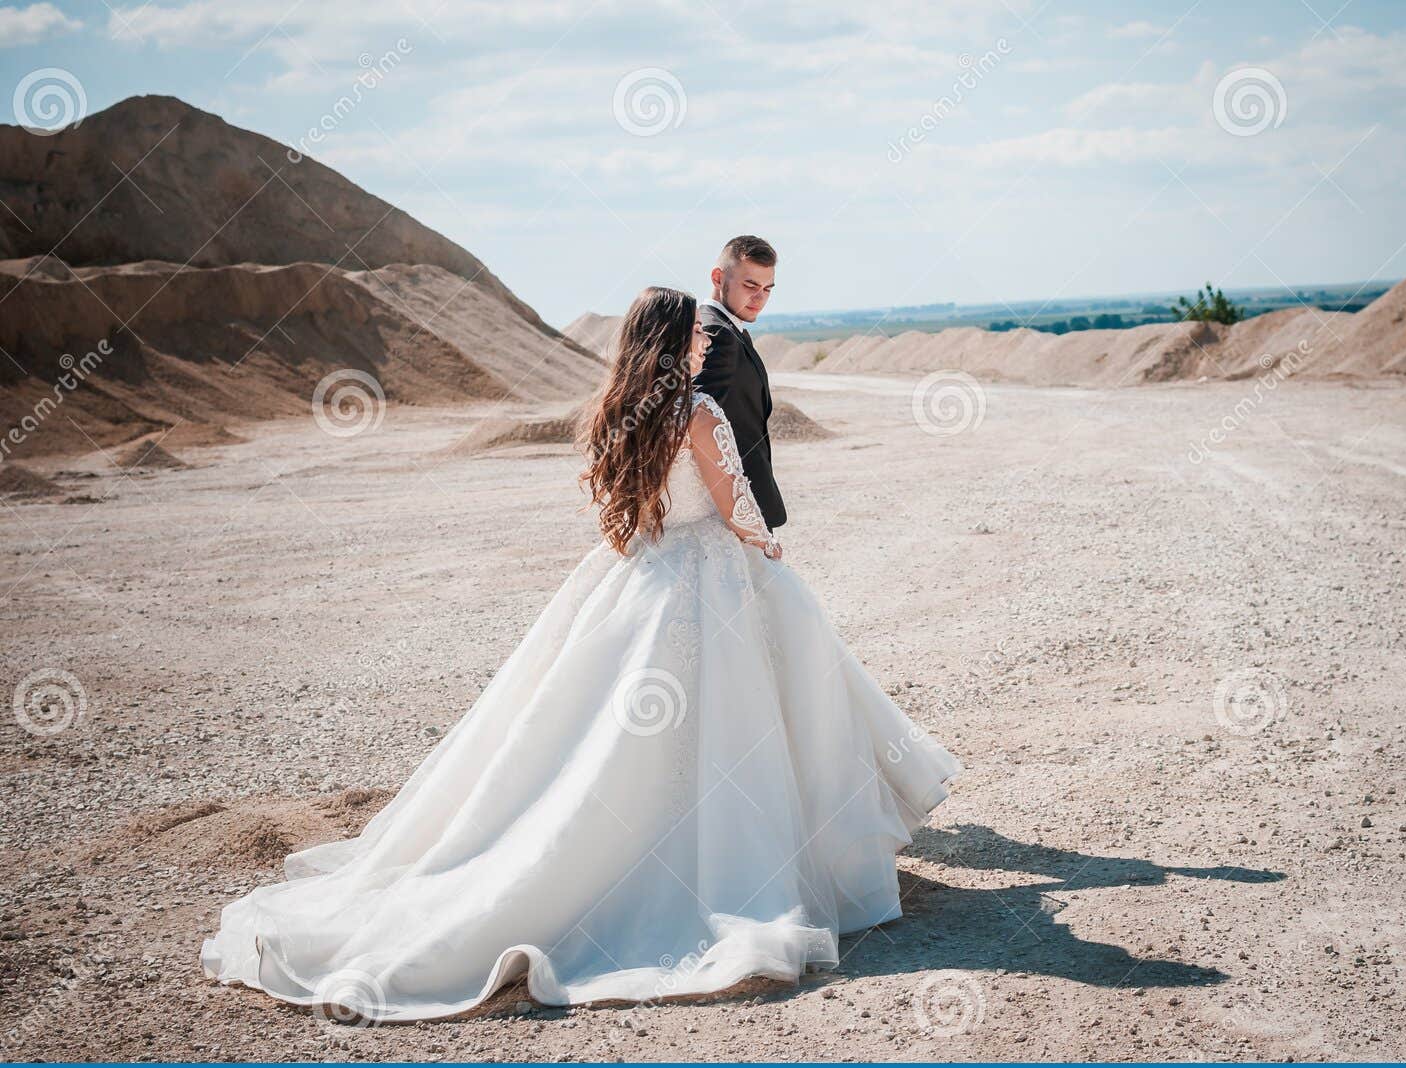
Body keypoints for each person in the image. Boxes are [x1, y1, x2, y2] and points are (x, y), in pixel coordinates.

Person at [198, 286, 960, 1023]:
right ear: (670, 342)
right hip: (710, 580)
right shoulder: (698, 411)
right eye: (695, 333)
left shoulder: (617, 412)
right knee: (742, 719)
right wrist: (769, 547)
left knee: (605, 739)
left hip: (639, 574)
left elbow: (624, 510)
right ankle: (742, 878)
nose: (705, 342)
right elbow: (736, 508)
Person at [694, 235, 784, 529]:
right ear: (718, 277)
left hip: (740, 502)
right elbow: (695, 420)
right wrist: (740, 515)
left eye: (767, 289)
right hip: (729, 507)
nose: (759, 298)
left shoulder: (731, 330)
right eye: (750, 286)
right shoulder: (716, 334)